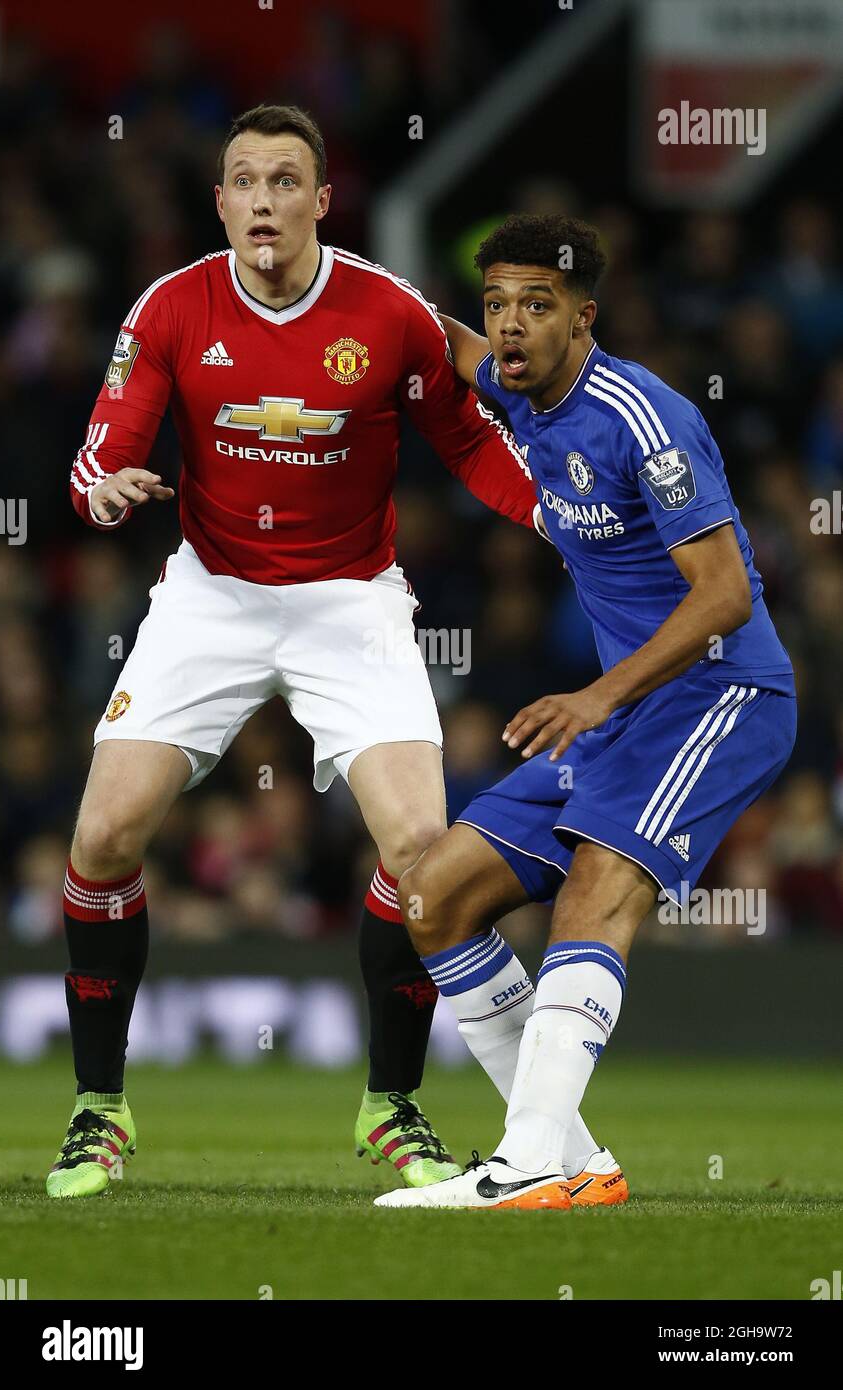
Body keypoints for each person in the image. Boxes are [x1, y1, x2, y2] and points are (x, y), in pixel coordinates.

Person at [47, 105, 544, 1199]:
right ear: (220, 201)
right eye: (243, 181)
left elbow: (465, 436)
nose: (263, 200)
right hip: (210, 594)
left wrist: (556, 515)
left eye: (285, 180)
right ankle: (97, 1108)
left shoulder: (390, 311)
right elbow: (100, 453)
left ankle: (390, 1105)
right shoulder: (172, 307)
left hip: (350, 599)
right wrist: (107, 491)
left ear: (321, 201)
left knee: (422, 849)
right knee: (100, 833)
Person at [374, 213, 796, 1210]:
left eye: (536, 305)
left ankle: (520, 1167)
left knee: (595, 885)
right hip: (622, 713)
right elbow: (437, 335)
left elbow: (725, 593)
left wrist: (598, 693)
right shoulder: (515, 387)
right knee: (435, 895)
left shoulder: (640, 419)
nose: (509, 327)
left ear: (583, 317)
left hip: (719, 695)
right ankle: (570, 1159)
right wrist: (327, 274)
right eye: (497, 305)